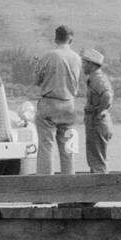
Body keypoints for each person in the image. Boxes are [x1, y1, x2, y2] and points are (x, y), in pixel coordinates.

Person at [33, 24, 83, 175]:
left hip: (50, 104)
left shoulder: (49, 56)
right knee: (68, 148)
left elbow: (37, 80)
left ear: (55, 38)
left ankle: (46, 190)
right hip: (69, 105)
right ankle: (68, 188)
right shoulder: (77, 58)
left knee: (46, 147)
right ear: (71, 39)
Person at [81, 47, 113, 174]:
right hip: (97, 122)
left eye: (85, 63)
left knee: (97, 161)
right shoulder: (95, 78)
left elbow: (107, 96)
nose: (83, 66)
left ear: (91, 64)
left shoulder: (97, 78)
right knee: (95, 158)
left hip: (97, 122)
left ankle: (100, 188)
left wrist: (98, 111)